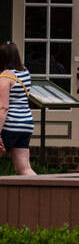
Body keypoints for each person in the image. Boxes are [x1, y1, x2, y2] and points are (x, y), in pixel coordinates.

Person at [0, 41, 35, 177]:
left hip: (10, 125)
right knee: (24, 168)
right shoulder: (25, 72)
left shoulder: (5, 78)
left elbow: (3, 108)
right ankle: (39, 193)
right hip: (25, 125)